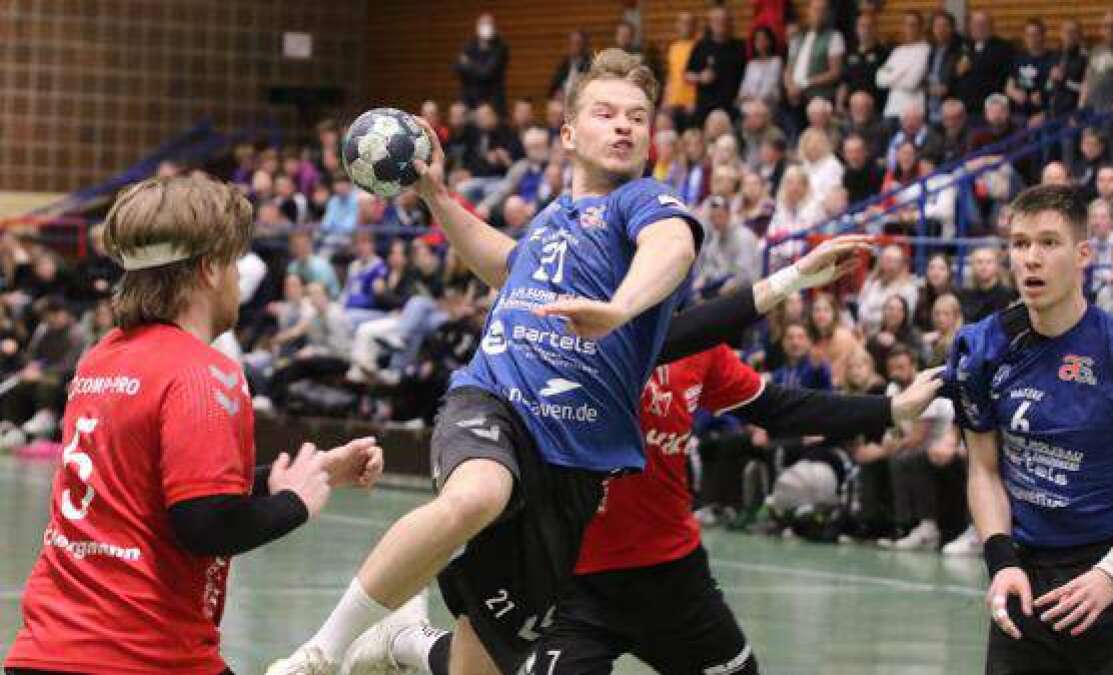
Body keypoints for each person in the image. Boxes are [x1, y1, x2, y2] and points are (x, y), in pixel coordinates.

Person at [268, 48, 706, 675]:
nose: (623, 126)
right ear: (568, 134)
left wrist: (620, 308)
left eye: (637, 117)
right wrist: (437, 196)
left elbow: (674, 247)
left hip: (575, 462)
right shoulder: (554, 217)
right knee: (478, 494)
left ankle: (405, 642)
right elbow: (505, 264)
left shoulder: (643, 202)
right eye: (606, 113)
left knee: (481, 664)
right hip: (496, 401)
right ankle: (319, 654)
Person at [339, 235, 930, 675]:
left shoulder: (698, 351)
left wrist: (892, 409)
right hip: (569, 581)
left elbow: (778, 408)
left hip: (671, 576)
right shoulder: (563, 338)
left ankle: (407, 640)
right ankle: (409, 642)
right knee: (486, 668)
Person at [3, 175, 384, 675]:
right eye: (234, 263)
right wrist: (294, 504)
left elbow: (163, 493)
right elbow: (205, 525)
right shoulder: (203, 373)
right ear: (208, 270)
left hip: (47, 652)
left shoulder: (102, 358)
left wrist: (310, 475)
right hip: (141, 657)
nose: (237, 281)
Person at [948, 184, 1113, 674]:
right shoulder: (981, 351)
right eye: (1020, 244)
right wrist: (1001, 562)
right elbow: (983, 469)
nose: (1031, 259)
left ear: (1083, 254)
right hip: (1027, 585)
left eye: (1048, 243)